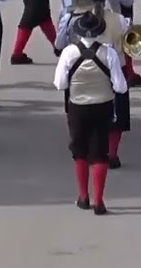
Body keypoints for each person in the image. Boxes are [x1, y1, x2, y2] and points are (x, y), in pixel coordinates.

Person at [54, 11, 127, 215]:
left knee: (80, 150)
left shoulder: (69, 52)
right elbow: (120, 87)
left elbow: (60, 84)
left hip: (78, 106)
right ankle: (100, 200)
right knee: (100, 152)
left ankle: (83, 196)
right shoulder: (109, 53)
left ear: (78, 33)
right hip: (103, 106)